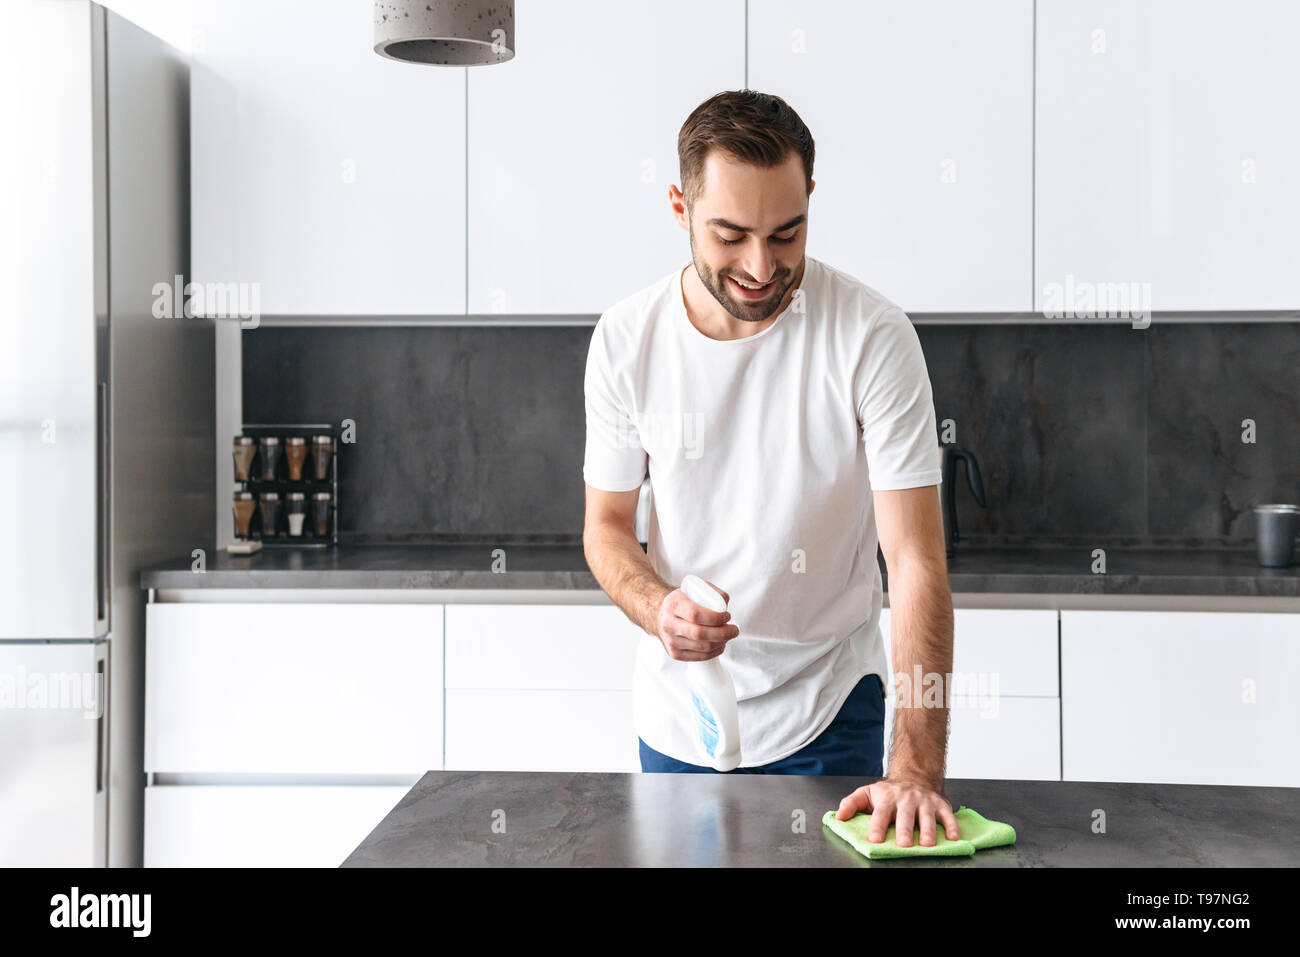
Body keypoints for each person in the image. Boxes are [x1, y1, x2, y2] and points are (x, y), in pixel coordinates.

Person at [581, 90, 959, 848]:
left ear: (811, 198)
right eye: (731, 235)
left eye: (787, 233)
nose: (761, 267)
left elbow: (915, 559)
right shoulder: (628, 339)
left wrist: (915, 767)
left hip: (828, 708)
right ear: (680, 208)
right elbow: (607, 528)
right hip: (680, 718)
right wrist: (658, 608)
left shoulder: (871, 336)